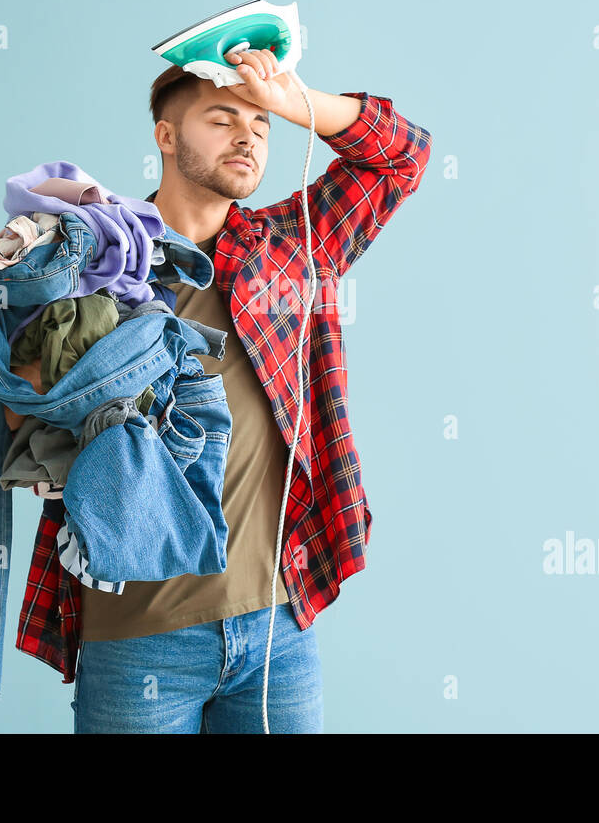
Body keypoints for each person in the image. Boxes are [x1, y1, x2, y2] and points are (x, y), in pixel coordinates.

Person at [43, 46, 432, 732]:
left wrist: (291, 99)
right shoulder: (99, 267)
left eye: (262, 126)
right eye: (222, 119)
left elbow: (403, 156)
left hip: (278, 629)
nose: (248, 135)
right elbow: (25, 413)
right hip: (138, 640)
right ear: (166, 136)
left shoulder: (293, 245)